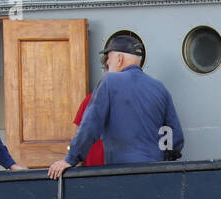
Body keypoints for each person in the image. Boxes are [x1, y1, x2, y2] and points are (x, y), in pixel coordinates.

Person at [48, 34, 183, 179]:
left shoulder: (110, 81)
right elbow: (175, 136)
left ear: (119, 59)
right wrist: (164, 160)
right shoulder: (159, 88)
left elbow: (90, 126)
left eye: (109, 62)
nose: (108, 66)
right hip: (155, 173)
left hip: (121, 173)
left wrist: (71, 159)